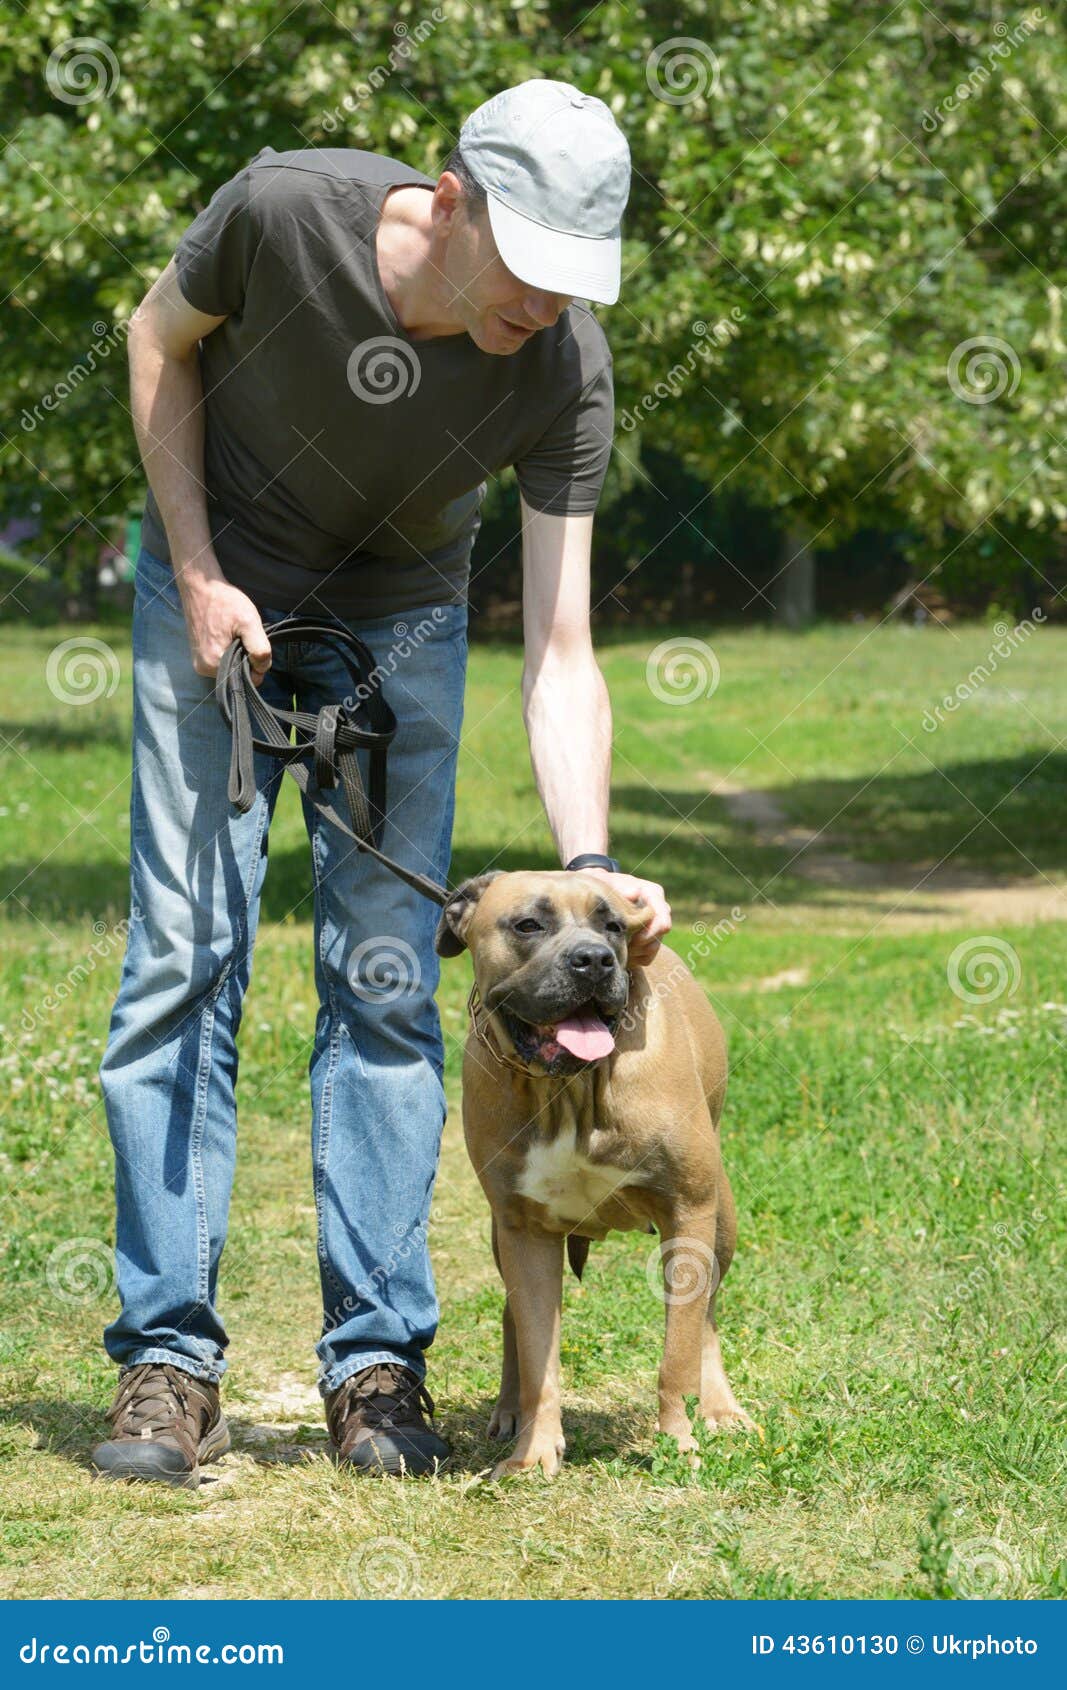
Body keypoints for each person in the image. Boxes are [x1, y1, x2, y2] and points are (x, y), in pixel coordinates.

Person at [93, 79, 671, 1488]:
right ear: (452, 201)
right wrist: (196, 571)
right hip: (217, 576)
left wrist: (589, 859)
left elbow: (559, 646)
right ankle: (167, 1360)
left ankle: (375, 1366)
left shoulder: (559, 364)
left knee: (391, 983)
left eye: (574, 284)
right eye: (531, 273)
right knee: (182, 955)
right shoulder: (285, 212)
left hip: (401, 617)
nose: (546, 309)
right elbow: (154, 339)